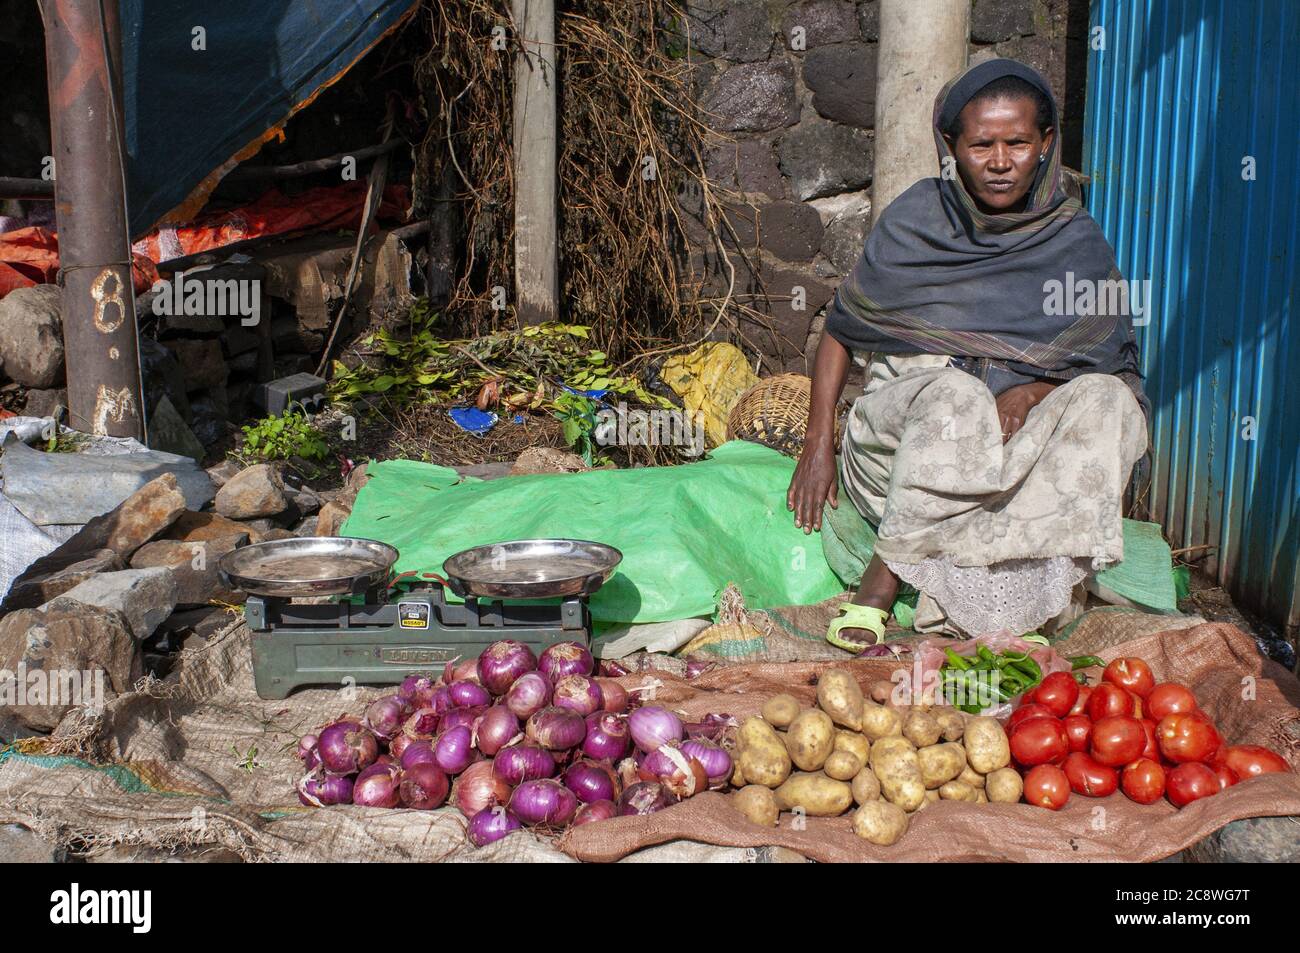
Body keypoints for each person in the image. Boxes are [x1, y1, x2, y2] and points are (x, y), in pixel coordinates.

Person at [787, 58, 1149, 649]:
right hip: (907, 441)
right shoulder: (917, 218)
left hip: (1016, 460)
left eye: (1018, 143)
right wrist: (817, 443)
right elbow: (841, 329)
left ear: (1046, 143)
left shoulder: (1074, 238)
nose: (1001, 161)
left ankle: (1011, 611)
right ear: (950, 145)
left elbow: (1110, 364)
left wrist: (1037, 390)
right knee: (958, 396)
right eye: (981, 144)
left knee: (1109, 403)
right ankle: (883, 578)